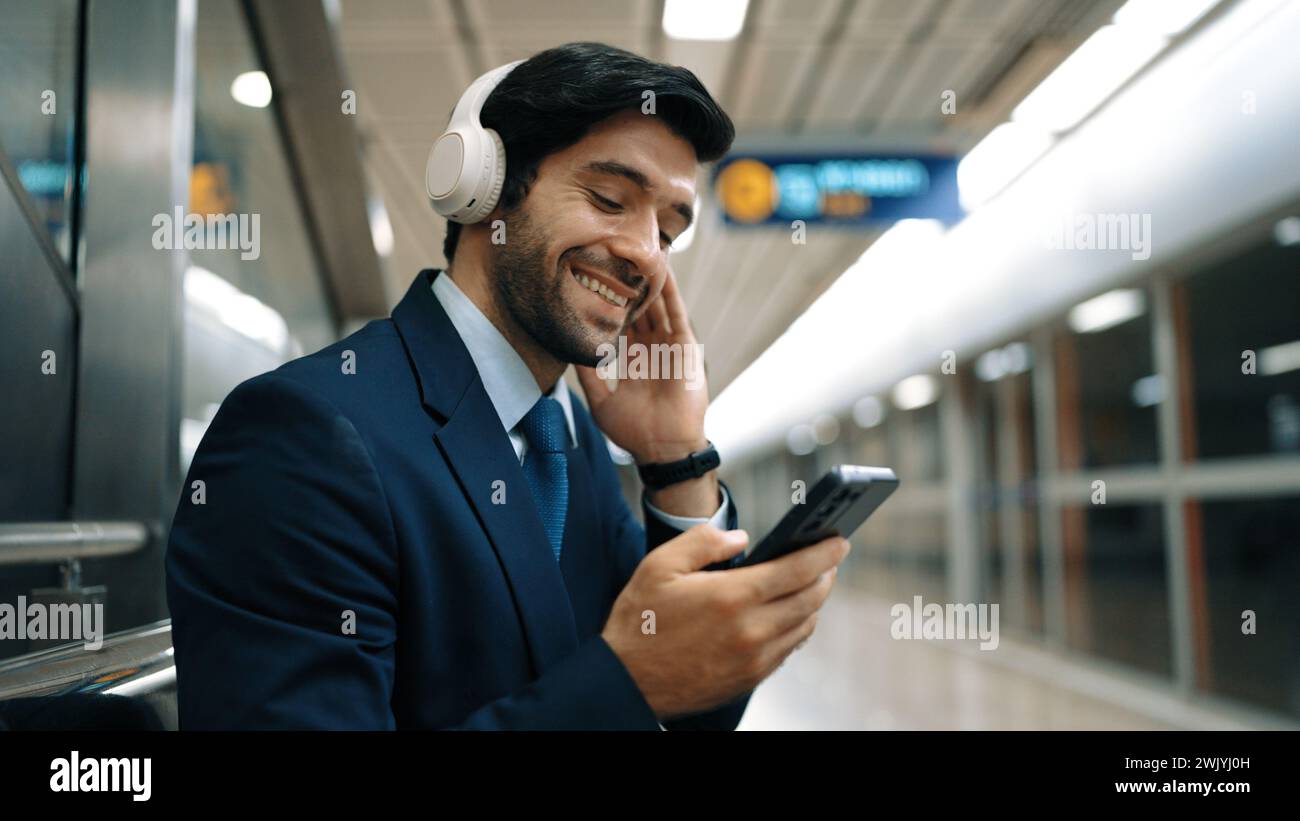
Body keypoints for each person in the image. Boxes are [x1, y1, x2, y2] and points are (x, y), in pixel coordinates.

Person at [165, 41, 850, 730]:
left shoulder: (572, 439)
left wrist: (677, 457)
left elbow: (698, 697)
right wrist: (627, 681)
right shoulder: (302, 435)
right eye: (611, 198)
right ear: (482, 187)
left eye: (669, 232)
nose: (647, 252)